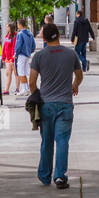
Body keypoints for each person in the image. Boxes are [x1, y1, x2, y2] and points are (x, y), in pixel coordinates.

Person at [28, 23, 83, 189]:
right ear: (58, 36)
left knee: (47, 141)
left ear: (44, 38)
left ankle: (44, 175)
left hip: (46, 105)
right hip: (65, 104)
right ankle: (60, 176)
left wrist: (36, 94)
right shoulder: (71, 54)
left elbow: (31, 82)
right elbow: (79, 76)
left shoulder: (39, 56)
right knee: (62, 141)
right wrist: (74, 85)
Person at [13, 20, 36, 96]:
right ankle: (29, 88)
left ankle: (24, 89)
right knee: (27, 71)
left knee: (21, 72)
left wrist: (16, 53)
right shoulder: (30, 33)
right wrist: (29, 51)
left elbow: (18, 45)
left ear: (20, 24)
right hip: (27, 55)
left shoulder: (20, 34)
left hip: (21, 54)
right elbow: (33, 46)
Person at [70, 7, 95, 72]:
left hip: (78, 39)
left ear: (78, 14)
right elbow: (90, 29)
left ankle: (85, 62)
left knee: (76, 53)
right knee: (84, 53)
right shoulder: (86, 20)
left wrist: (72, 39)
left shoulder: (77, 21)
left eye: (76, 14)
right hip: (85, 39)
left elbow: (74, 31)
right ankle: (84, 69)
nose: (76, 15)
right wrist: (93, 36)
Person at [1, 23, 17, 96]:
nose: (6, 28)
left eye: (7, 27)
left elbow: (14, 48)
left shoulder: (15, 36)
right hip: (7, 58)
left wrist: (12, 59)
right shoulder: (7, 35)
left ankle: (17, 89)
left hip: (12, 58)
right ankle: (6, 90)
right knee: (8, 74)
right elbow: (4, 47)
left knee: (16, 73)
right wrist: (3, 57)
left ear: (11, 28)